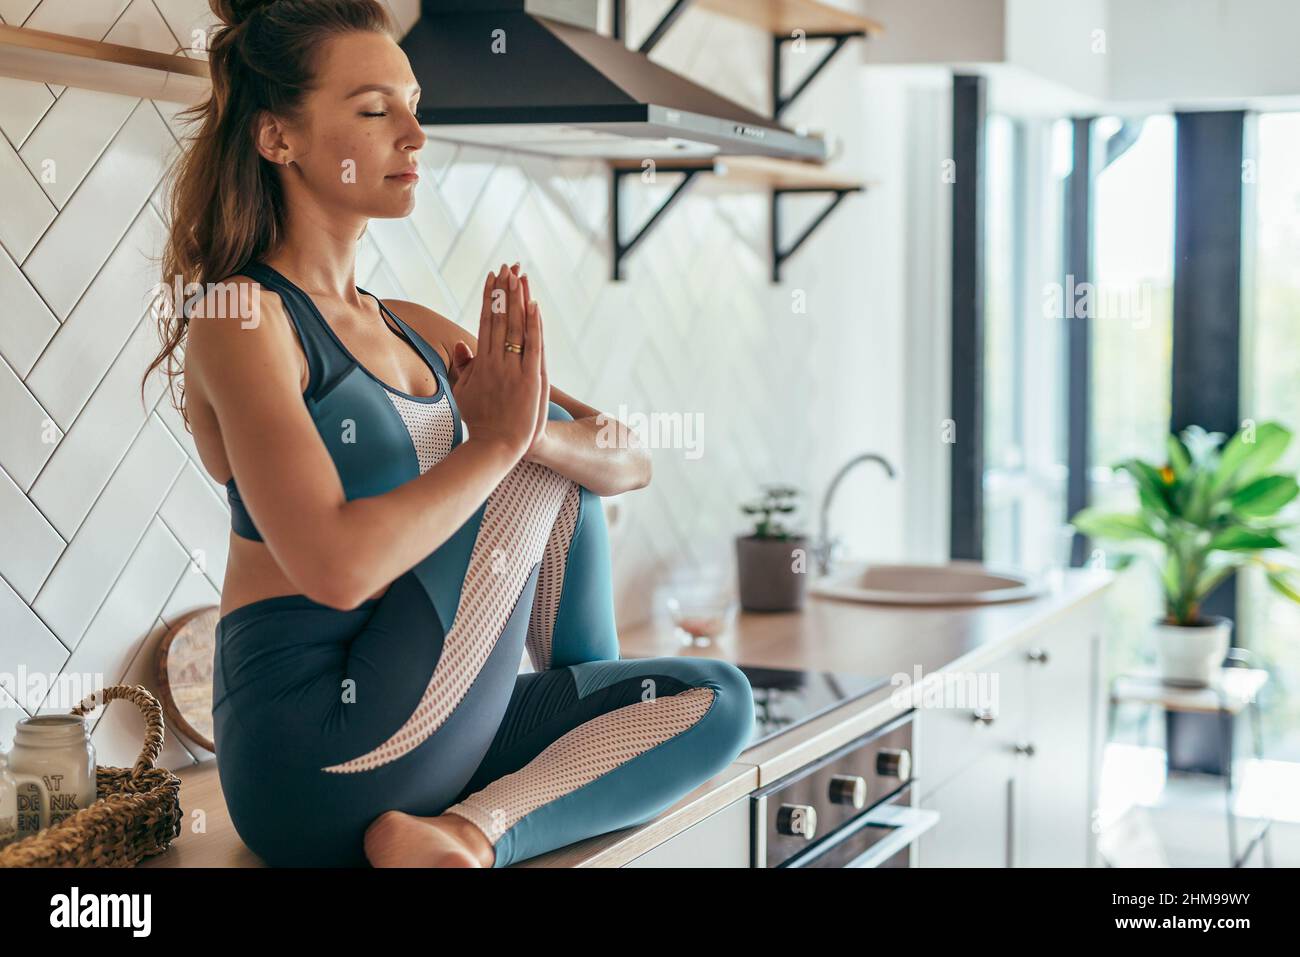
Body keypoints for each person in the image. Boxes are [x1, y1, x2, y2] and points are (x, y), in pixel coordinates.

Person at [143, 0, 755, 867]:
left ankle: (469, 831)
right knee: (526, 454)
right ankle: (528, 755)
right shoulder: (242, 318)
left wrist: (525, 435)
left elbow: (626, 456)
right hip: (313, 752)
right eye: (373, 110)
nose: (415, 135)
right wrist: (499, 444)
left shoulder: (415, 327)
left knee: (718, 698)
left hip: (439, 728)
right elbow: (337, 563)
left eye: (415, 103)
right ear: (278, 138)